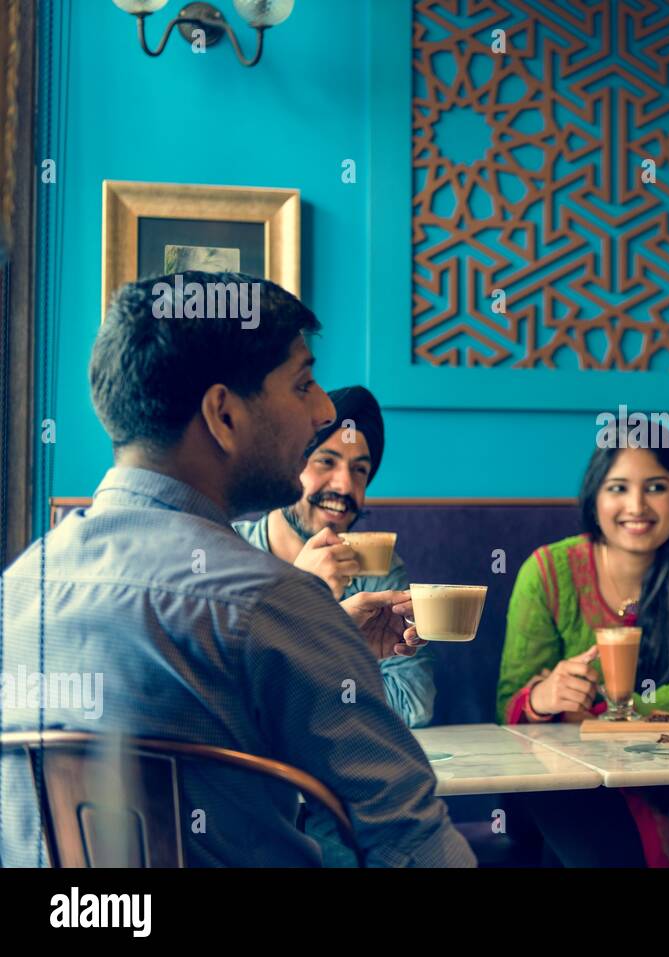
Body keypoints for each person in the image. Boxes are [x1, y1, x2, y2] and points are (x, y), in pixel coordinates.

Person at [0, 271, 474, 867]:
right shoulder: (276, 602)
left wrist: (329, 651)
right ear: (223, 414)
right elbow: (414, 848)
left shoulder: (17, 591)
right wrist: (309, 635)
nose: (324, 407)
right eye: (303, 383)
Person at [496, 427, 669, 865]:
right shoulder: (547, 572)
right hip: (565, 781)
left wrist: (604, 710)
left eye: (656, 487)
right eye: (618, 488)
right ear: (595, 498)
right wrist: (542, 696)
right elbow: (507, 703)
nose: (637, 507)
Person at [231, 384, 436, 730]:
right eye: (326, 461)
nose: (344, 486)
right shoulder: (225, 554)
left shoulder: (376, 569)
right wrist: (304, 601)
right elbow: (225, 702)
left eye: (359, 470)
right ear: (288, 465)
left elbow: (413, 702)